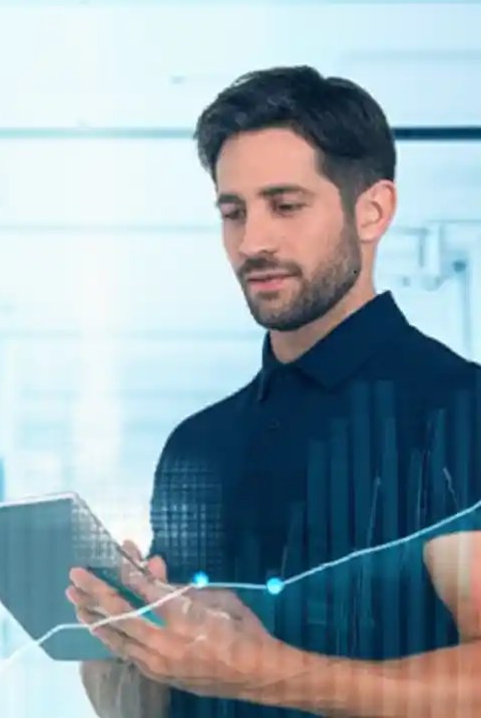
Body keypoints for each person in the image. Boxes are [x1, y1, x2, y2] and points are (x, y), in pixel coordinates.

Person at [67, 66, 481, 717]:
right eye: (233, 212)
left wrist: (266, 673)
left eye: (286, 206)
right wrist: (120, 646)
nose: (252, 241)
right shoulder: (195, 447)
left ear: (372, 212)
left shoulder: (456, 410)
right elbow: (158, 705)